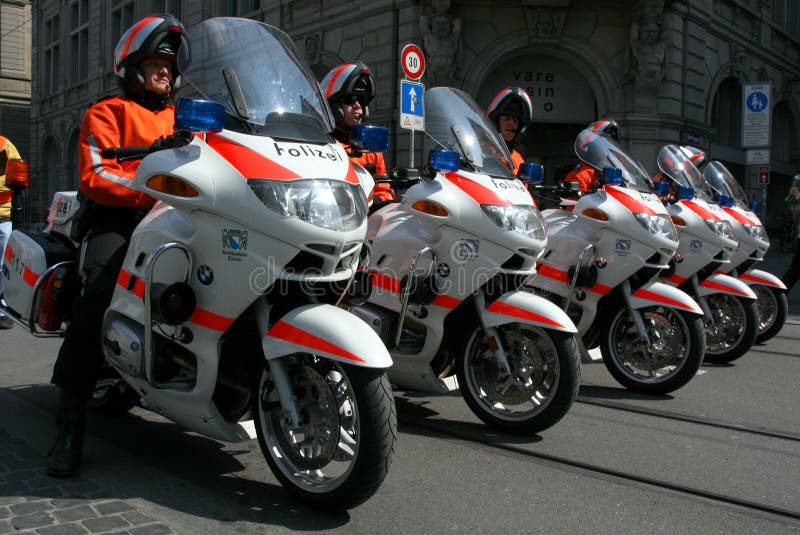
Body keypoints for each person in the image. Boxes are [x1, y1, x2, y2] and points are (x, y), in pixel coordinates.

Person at [47, 14, 187, 478]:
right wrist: (153, 189)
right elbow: (96, 174)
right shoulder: (108, 112)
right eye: (154, 64)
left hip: (179, 221)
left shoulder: (185, 116)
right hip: (120, 219)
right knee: (98, 299)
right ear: (131, 68)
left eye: (169, 66)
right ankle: (69, 428)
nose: (164, 72)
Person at [319, 62, 393, 201]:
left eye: (362, 99)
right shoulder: (319, 144)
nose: (358, 105)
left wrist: (378, 202)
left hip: (366, 218)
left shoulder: (371, 148)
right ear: (333, 106)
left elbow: (383, 189)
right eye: (350, 99)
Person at [0, 135, 22, 329]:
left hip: (4, 217)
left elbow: (17, 178)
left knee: (2, 266)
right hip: (4, 217)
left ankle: (2, 309)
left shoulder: (4, 144)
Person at [486, 87, 533, 175]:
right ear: (495, 120)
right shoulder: (479, 151)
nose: (511, 122)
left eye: (516, 119)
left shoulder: (518, 160)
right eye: (505, 117)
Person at [565, 119, 621, 193]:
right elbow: (573, 203)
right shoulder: (580, 175)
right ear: (592, 148)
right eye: (603, 146)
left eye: (610, 147)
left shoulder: (615, 174)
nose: (608, 152)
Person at [781, 174, 800, 292]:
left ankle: (779, 295)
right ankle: (778, 295)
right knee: (795, 270)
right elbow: (791, 202)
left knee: (795, 270)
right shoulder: (798, 180)